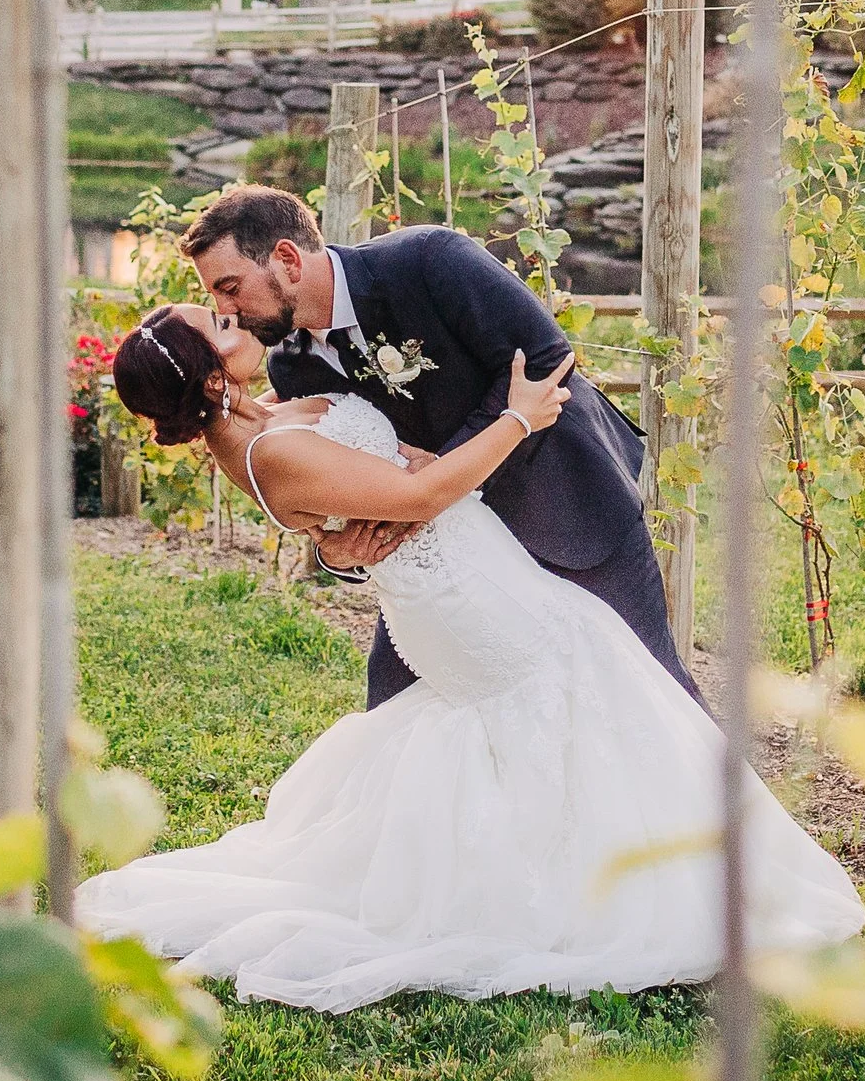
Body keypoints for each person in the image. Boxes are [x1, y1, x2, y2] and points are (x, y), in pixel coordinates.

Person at [74, 302, 865, 1013]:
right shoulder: (267, 453)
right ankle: (597, 892)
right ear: (211, 377)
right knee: (562, 674)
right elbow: (414, 500)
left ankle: (608, 861)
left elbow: (373, 486)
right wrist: (518, 418)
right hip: (456, 590)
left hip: (459, 568)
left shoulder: (259, 416)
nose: (232, 318)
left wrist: (373, 496)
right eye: (216, 327)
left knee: (566, 674)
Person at [181, 185, 699, 709]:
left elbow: (545, 359)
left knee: (650, 693)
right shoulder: (291, 365)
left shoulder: (428, 260)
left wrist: (445, 470)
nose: (226, 310)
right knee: (393, 710)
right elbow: (338, 482)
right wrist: (336, 554)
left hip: (563, 502)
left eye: (230, 287)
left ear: (287, 260)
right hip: (449, 561)